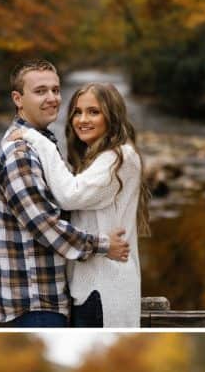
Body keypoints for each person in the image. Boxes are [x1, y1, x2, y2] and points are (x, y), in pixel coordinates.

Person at [0, 59, 130, 327]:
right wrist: (103, 245)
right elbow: (45, 226)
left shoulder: (40, 144)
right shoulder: (20, 153)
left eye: (55, 90)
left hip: (45, 298)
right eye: (40, 91)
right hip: (33, 302)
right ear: (18, 99)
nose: (52, 98)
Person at [10, 82, 148, 328]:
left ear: (112, 116)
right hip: (89, 286)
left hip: (104, 289)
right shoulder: (97, 156)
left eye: (94, 112)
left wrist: (37, 140)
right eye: (77, 112)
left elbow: (70, 195)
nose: (82, 120)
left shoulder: (119, 157)